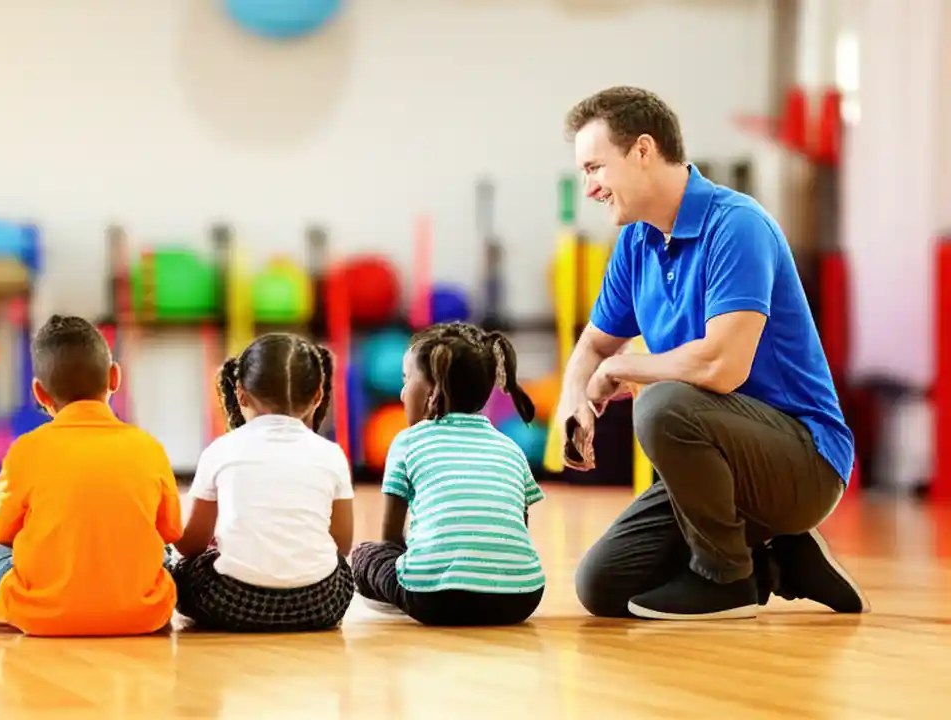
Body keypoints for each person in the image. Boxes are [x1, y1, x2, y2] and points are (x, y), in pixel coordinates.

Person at [559, 86, 868, 620]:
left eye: (595, 168)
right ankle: (779, 558)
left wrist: (623, 368)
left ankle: (725, 577)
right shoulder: (637, 242)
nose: (588, 188)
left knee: (662, 404)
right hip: (714, 459)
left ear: (643, 151)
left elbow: (721, 366)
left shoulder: (737, 226)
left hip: (805, 461)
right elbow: (593, 342)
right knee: (601, 586)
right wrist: (572, 400)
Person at [0, 314, 183, 636]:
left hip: (42, 615)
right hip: (143, 614)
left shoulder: (26, 449)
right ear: (114, 377)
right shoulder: (149, 447)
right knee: (164, 554)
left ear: (40, 393)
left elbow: (1, 532)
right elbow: (170, 531)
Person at [350, 322, 546, 626]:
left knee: (366, 555)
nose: (402, 393)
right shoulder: (511, 447)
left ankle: (402, 597)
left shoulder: (407, 442)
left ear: (431, 391)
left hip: (434, 601)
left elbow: (390, 539)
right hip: (521, 598)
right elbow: (516, 529)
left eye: (406, 380)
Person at [170, 333, 355, 633]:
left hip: (230, 602)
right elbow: (342, 545)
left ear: (240, 394)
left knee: (179, 570)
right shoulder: (332, 454)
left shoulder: (220, 450)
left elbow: (191, 545)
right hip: (320, 603)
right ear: (318, 395)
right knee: (343, 568)